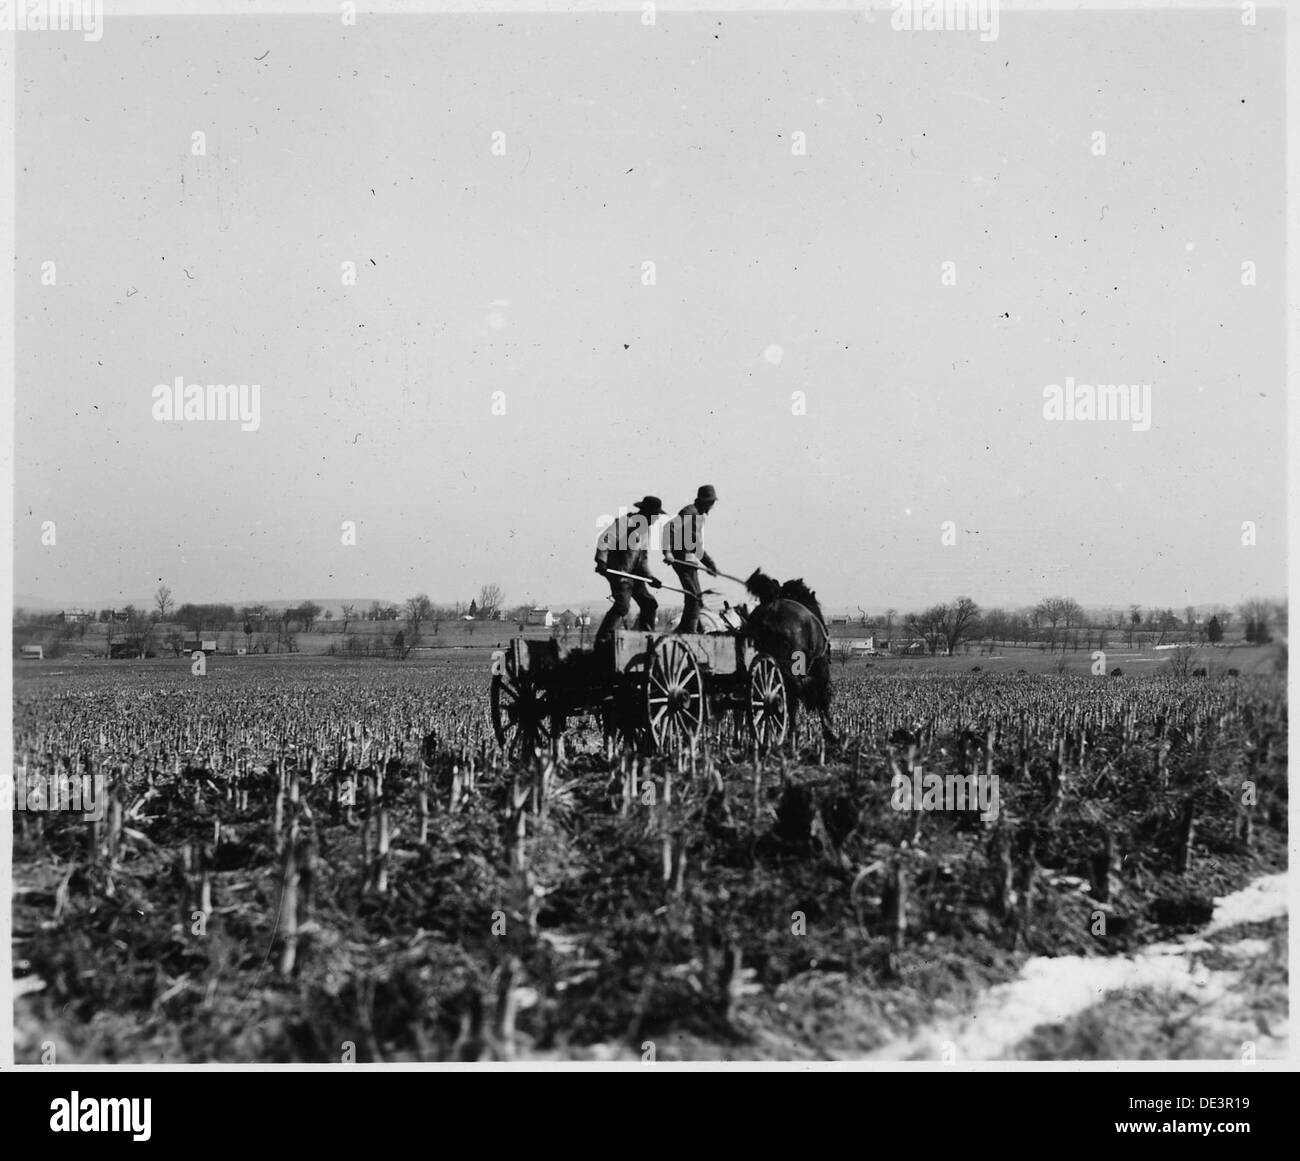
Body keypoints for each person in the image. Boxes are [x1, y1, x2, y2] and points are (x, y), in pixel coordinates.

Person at [594, 496, 667, 643]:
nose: (657, 519)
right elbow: (604, 539)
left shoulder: (646, 532)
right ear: (646, 513)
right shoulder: (624, 522)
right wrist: (601, 561)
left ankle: (647, 637)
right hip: (619, 573)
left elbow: (643, 558)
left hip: (635, 576)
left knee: (650, 604)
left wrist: (651, 578)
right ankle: (603, 638)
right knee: (622, 605)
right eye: (655, 516)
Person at [663, 484, 719, 634]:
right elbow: (669, 528)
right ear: (704, 501)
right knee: (694, 598)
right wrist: (667, 552)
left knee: (696, 599)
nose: (712, 506)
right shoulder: (690, 512)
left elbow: (696, 545)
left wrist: (710, 565)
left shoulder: (699, 516)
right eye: (711, 502)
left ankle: (689, 630)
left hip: (690, 562)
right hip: (682, 561)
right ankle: (689, 633)